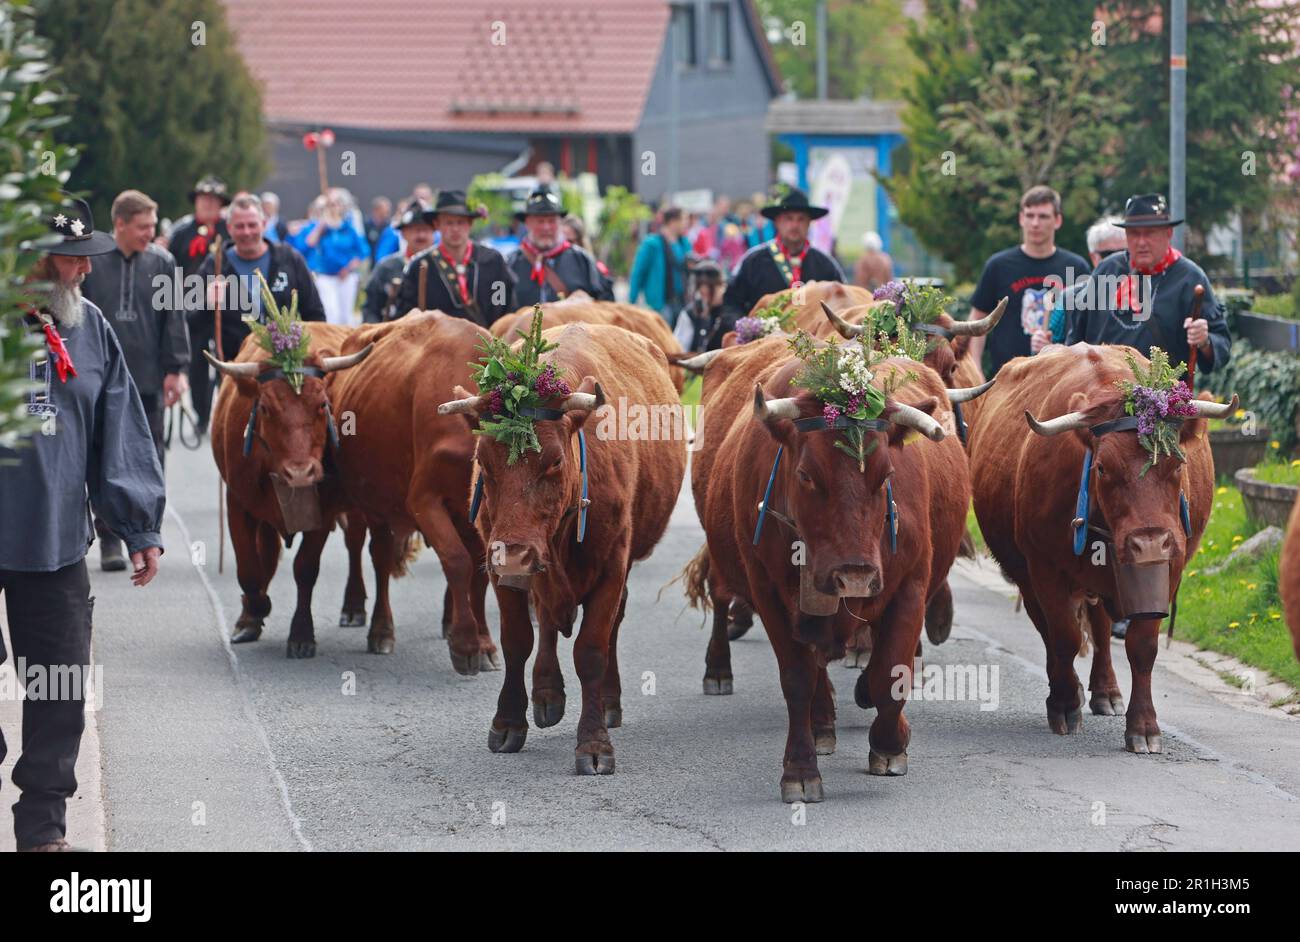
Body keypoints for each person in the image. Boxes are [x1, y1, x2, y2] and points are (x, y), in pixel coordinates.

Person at [0, 197, 165, 852]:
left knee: (60, 686)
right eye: (69, 259)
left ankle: (42, 834)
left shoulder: (90, 328)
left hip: (56, 537)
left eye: (84, 258)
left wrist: (139, 525)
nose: (82, 271)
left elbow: (119, 427)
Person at [79, 190, 189, 570]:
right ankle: (109, 537)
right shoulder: (93, 262)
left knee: (147, 456)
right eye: (142, 227)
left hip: (147, 379)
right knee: (102, 454)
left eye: (152, 227)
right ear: (120, 224)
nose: (150, 234)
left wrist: (176, 369)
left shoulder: (164, 262)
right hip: (99, 378)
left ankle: (144, 536)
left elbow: (174, 318)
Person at [966, 185, 1091, 376]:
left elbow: (1089, 328)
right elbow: (977, 320)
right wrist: (975, 369)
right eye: (1029, 215)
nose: (1035, 223)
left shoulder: (1077, 267)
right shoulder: (998, 266)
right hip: (1008, 378)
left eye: (1043, 216)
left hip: (1061, 379)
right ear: (1021, 219)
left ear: (1057, 220)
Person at [192, 193, 326, 361]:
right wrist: (208, 304)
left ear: (264, 224)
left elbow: (315, 315)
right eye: (240, 226)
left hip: (285, 366)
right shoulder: (216, 265)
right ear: (229, 228)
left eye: (252, 225)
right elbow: (190, 322)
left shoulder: (289, 259)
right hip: (236, 368)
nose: (247, 232)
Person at [394, 189, 515, 326]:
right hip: (438, 345)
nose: (455, 229)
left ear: (470, 224)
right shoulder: (419, 266)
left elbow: (504, 308)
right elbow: (405, 319)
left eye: (460, 222)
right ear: (436, 225)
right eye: (449, 223)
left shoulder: (493, 261)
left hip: (489, 344)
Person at [168, 175, 230, 435]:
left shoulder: (230, 230)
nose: (208, 205)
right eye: (203, 200)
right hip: (191, 306)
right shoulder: (182, 233)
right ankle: (202, 416)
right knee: (197, 362)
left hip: (227, 304)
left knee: (226, 359)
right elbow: (169, 269)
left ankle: (227, 411)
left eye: (213, 201)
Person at [721, 187, 845, 317]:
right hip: (764, 336)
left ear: (809, 223)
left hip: (814, 337)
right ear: (777, 222)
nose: (794, 225)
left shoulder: (826, 265)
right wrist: (748, 328)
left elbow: (844, 304)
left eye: (801, 219)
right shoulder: (753, 262)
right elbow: (730, 304)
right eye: (789, 218)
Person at [506, 186, 613, 306]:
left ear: (560, 223)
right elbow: (498, 308)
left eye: (551, 221)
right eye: (540, 221)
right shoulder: (510, 264)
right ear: (527, 223)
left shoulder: (582, 260)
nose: (546, 227)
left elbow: (605, 304)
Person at [1038, 215, 1127, 350]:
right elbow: (1050, 349)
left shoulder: (1151, 292)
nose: (1118, 260)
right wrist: (1042, 346)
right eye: (1109, 254)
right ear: (1093, 257)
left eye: (1124, 253)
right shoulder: (1067, 299)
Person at [293, 191, 368, 325]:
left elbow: (363, 251)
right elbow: (308, 244)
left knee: (346, 316)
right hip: (325, 276)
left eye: (335, 205)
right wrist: (320, 228)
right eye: (330, 205)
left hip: (346, 277)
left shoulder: (348, 228)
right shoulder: (319, 227)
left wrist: (348, 268)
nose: (333, 208)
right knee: (331, 312)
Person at [362, 200, 436, 323]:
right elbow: (370, 310)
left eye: (426, 230)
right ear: (403, 233)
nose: (421, 235)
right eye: (416, 230)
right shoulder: (386, 268)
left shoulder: (441, 267)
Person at [629, 207, 692, 325]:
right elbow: (638, 272)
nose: (686, 223)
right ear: (673, 221)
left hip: (682, 300)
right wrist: (632, 300)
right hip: (661, 303)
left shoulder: (684, 243)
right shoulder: (652, 244)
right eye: (684, 219)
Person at [365, 195, 398, 265]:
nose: (388, 212)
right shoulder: (366, 225)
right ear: (376, 210)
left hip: (382, 263)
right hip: (368, 263)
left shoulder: (389, 227)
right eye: (385, 210)